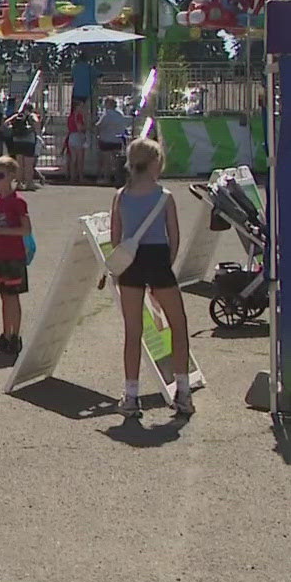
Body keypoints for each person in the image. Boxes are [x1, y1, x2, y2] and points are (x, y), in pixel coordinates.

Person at [108, 137, 192, 417]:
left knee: (133, 332)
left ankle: (131, 395)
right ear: (156, 162)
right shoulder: (164, 197)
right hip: (157, 260)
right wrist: (166, 268)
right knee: (177, 326)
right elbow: (175, 237)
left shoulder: (120, 196)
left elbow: (115, 237)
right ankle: (183, 391)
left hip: (131, 261)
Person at [0, 156, 31, 354]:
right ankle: (5, 334)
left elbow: (26, 230)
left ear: (11, 175)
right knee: (4, 296)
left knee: (13, 297)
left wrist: (0, 231)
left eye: (0, 175)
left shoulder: (18, 202)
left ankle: (15, 336)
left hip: (14, 255)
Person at [6, 101, 40, 190]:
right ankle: (29, 183)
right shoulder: (32, 115)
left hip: (17, 141)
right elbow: (36, 123)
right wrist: (33, 130)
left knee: (19, 164)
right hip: (28, 141)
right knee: (28, 164)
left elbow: (6, 123)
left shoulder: (18, 116)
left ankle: (19, 184)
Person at [66, 99, 89, 184]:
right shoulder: (78, 116)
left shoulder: (71, 116)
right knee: (80, 159)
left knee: (73, 159)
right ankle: (80, 177)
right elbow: (80, 128)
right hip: (78, 136)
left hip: (71, 136)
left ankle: (72, 177)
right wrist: (85, 127)